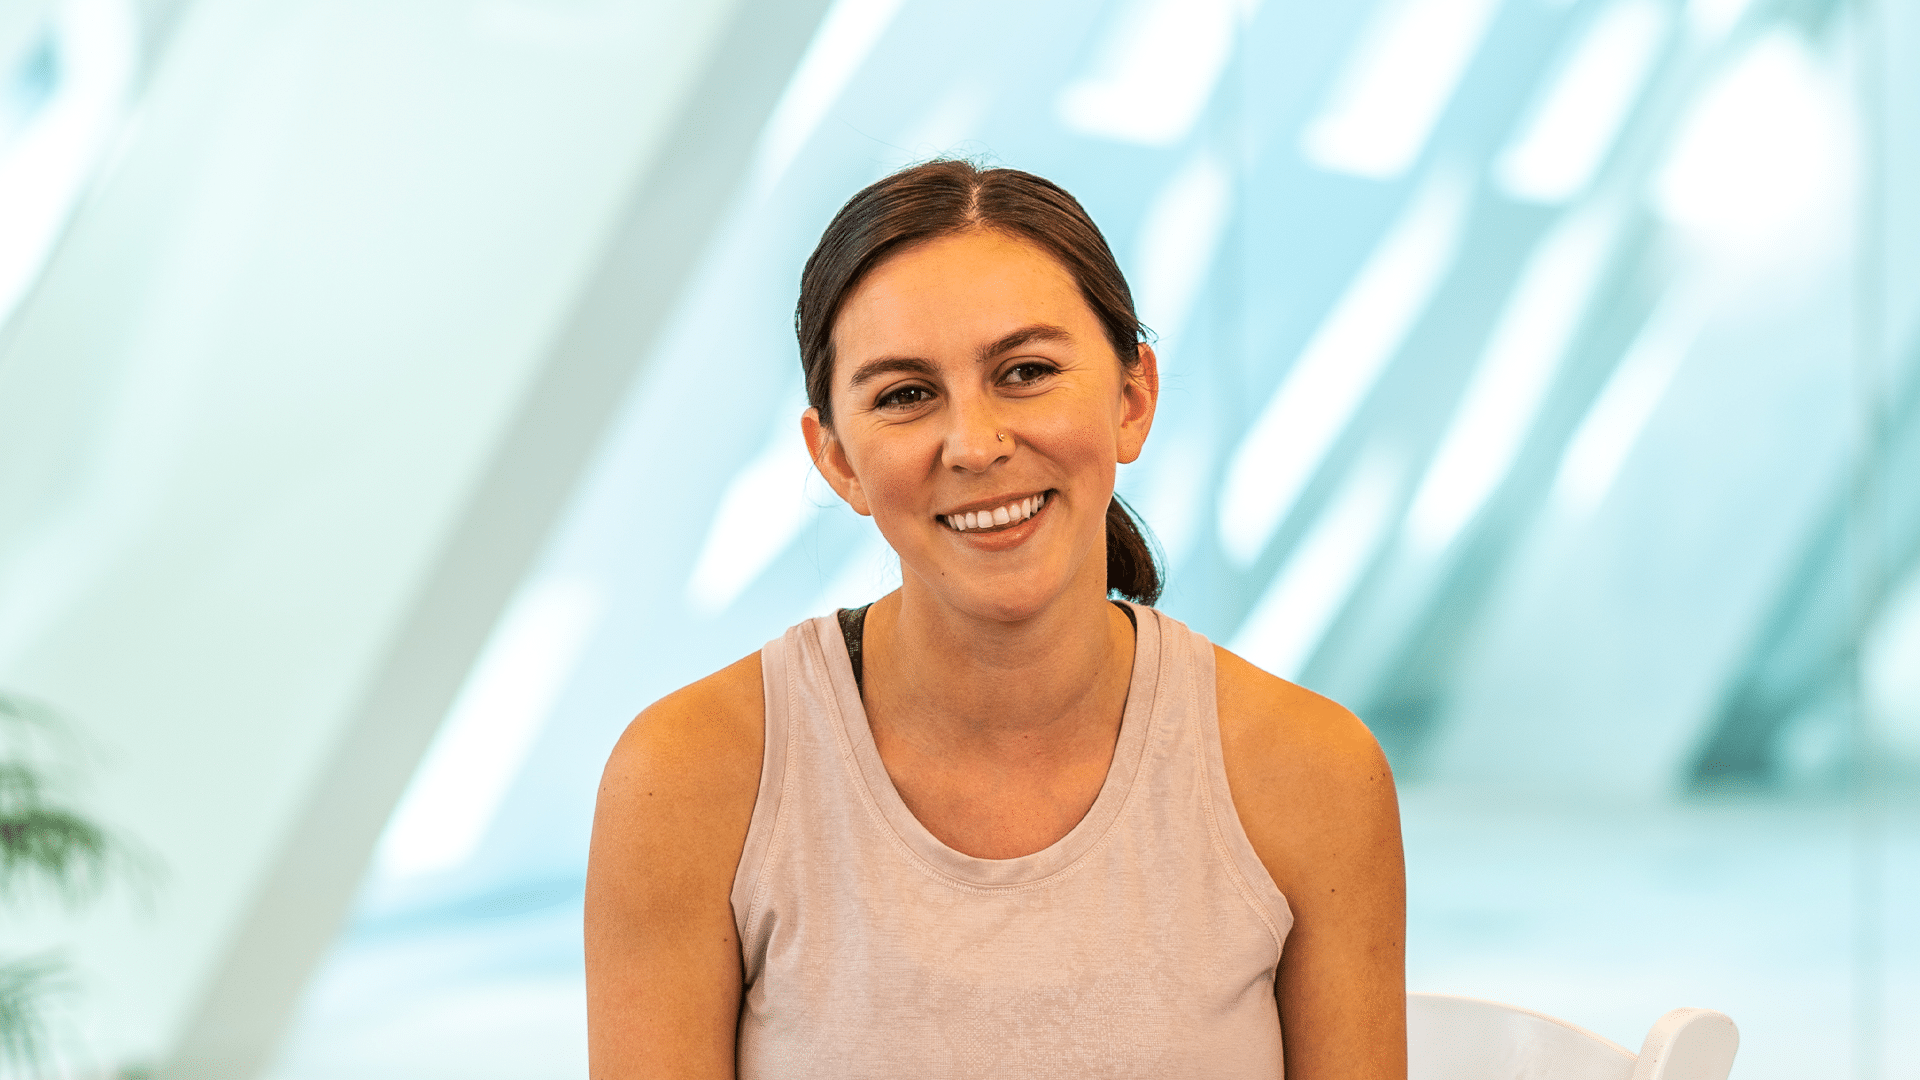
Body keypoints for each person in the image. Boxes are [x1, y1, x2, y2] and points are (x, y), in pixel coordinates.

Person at [584, 160, 1406, 1079]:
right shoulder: (690, 780)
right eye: (905, 394)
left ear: (1132, 400)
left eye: (1026, 372)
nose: (976, 445)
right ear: (837, 459)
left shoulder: (1312, 776)